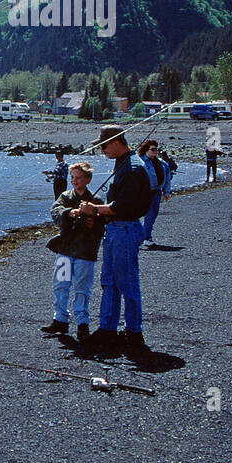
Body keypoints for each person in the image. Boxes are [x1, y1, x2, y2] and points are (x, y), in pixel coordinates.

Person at [78, 126, 153, 352]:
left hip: (124, 230)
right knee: (109, 280)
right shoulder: (124, 164)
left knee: (126, 281)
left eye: (104, 146)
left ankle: (133, 333)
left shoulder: (131, 168)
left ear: (116, 142)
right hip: (115, 231)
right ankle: (107, 328)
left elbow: (123, 206)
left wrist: (94, 209)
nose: (102, 151)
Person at [41, 162, 106, 341]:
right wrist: (70, 213)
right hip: (65, 249)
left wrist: (93, 220)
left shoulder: (97, 201)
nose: (74, 181)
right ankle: (60, 319)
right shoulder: (65, 196)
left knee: (82, 288)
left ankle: (82, 323)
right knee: (60, 284)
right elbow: (55, 211)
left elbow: (103, 226)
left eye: (78, 178)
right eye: (72, 178)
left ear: (87, 179)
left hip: (86, 252)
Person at [138, 139, 171, 247]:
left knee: (153, 215)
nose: (155, 152)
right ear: (146, 150)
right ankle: (146, 237)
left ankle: (144, 236)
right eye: (153, 149)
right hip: (144, 193)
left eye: (156, 149)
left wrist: (166, 192)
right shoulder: (140, 162)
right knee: (148, 214)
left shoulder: (162, 163)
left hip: (157, 192)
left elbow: (167, 178)